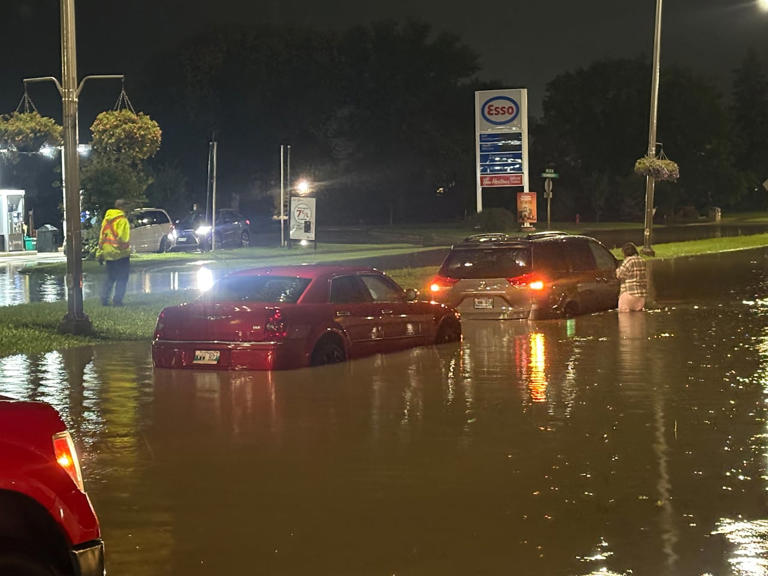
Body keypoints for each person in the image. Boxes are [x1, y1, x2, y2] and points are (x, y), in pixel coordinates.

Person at [96, 198, 131, 306]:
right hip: (120, 254)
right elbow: (123, 238)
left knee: (110, 278)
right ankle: (117, 301)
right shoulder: (122, 220)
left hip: (108, 253)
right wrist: (126, 250)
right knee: (122, 278)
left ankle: (104, 299)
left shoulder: (106, 220)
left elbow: (102, 238)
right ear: (123, 207)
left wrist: (99, 254)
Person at [615, 242, 647, 312]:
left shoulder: (628, 260)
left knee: (625, 319)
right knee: (638, 319)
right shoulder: (642, 260)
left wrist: (617, 270)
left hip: (629, 294)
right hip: (641, 297)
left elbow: (620, 275)